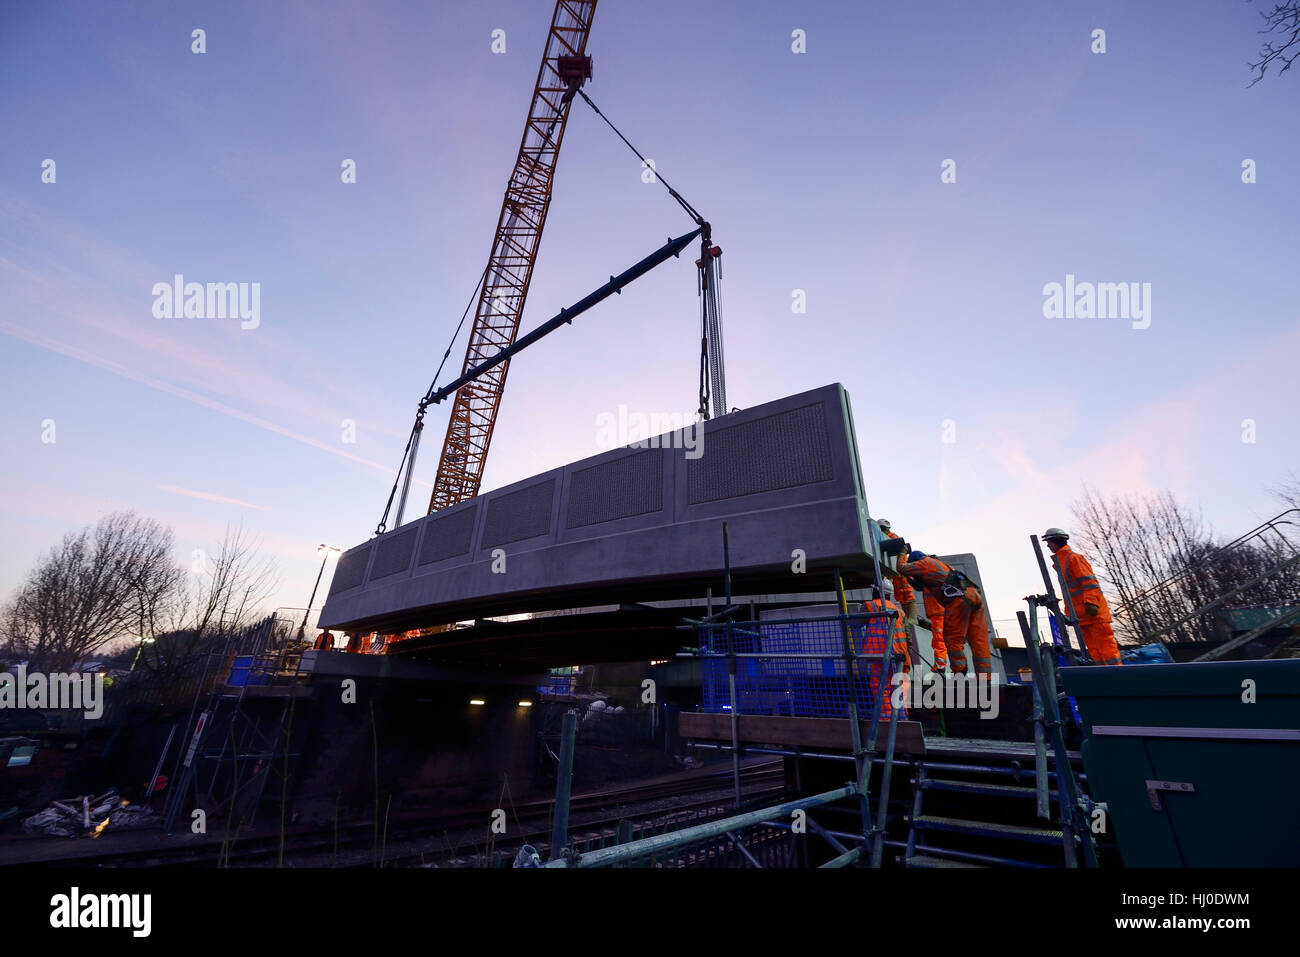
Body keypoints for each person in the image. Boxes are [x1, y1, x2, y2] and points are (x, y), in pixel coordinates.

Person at [1042, 528, 1122, 666]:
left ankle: (1118, 676)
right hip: (1082, 616)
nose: (1048, 546)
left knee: (1106, 648)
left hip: (1093, 613)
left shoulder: (1074, 558)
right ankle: (1106, 676)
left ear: (1056, 541)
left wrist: (1091, 603)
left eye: (1049, 542)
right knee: (1095, 651)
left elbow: (1089, 582)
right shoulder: (1061, 562)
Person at [897, 551, 955, 671]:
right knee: (949, 639)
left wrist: (902, 554)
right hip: (948, 609)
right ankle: (955, 668)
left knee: (939, 639)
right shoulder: (939, 567)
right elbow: (920, 586)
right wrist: (910, 579)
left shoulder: (925, 563)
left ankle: (940, 666)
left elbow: (901, 568)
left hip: (939, 610)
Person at [860, 586, 911, 718]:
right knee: (898, 687)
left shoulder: (870, 606)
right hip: (900, 654)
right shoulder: (899, 611)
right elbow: (908, 636)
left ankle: (886, 720)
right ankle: (902, 719)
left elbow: (854, 622)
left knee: (881, 687)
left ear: (876, 591)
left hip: (879, 654)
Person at [939, 581, 993, 675]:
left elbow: (906, 569)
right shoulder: (949, 571)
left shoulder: (922, 567)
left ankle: (960, 672)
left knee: (953, 638)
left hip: (959, 597)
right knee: (979, 641)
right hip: (974, 594)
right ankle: (985, 679)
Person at [876, 520, 917, 624]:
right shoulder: (885, 537)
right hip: (895, 570)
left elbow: (900, 555)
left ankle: (912, 618)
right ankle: (908, 618)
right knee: (900, 594)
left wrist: (899, 569)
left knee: (906, 592)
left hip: (900, 569)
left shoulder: (892, 537)